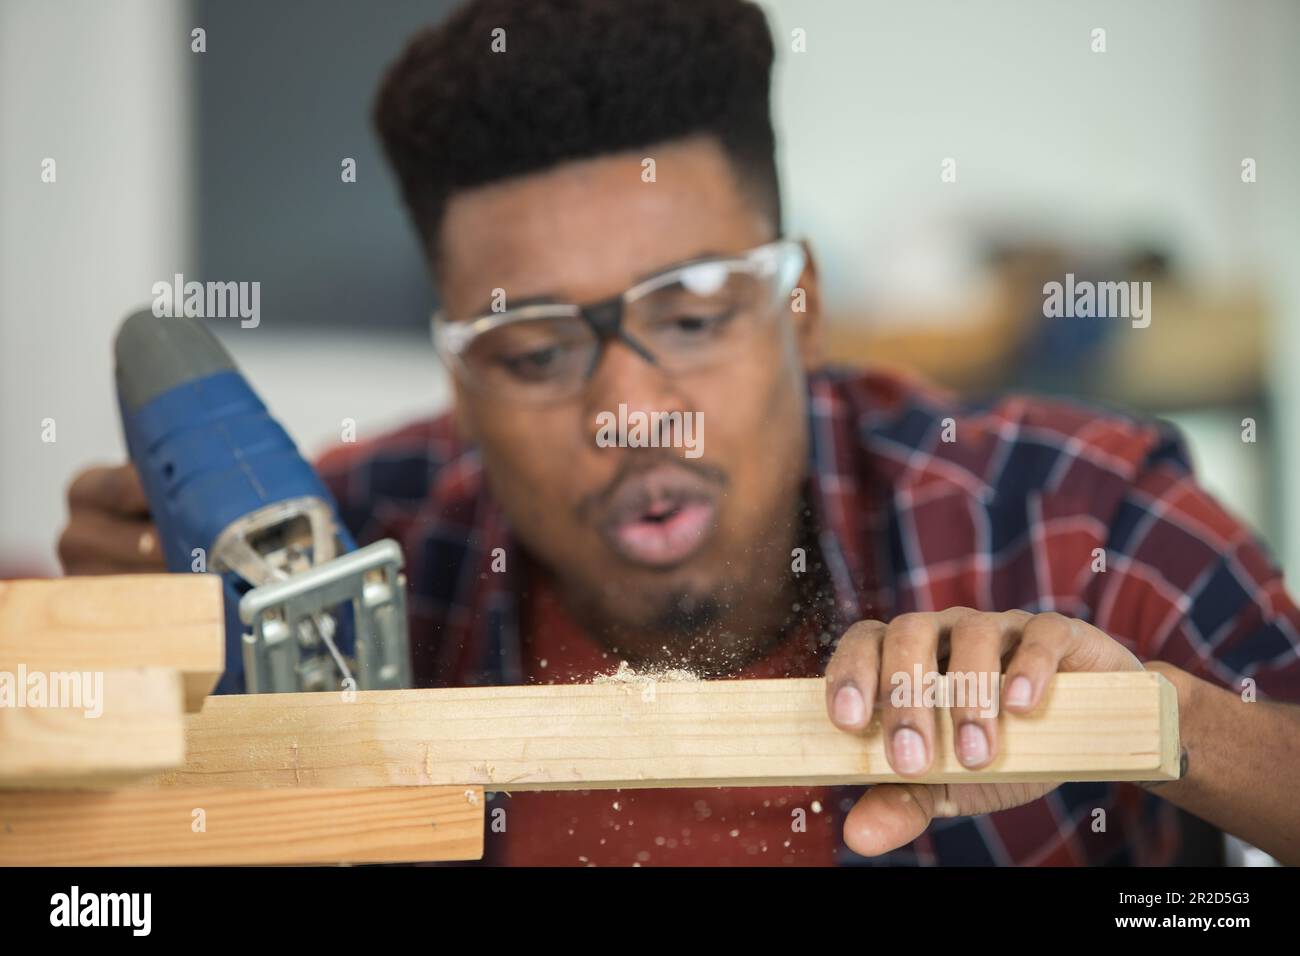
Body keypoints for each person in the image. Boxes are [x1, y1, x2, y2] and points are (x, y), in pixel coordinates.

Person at [59, 0, 1300, 866]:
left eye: (695, 313)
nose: (624, 413)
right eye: (534, 350)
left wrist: (1160, 723)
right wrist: (124, 675)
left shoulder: (1082, 517)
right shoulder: (330, 553)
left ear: (797, 300)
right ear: (457, 368)